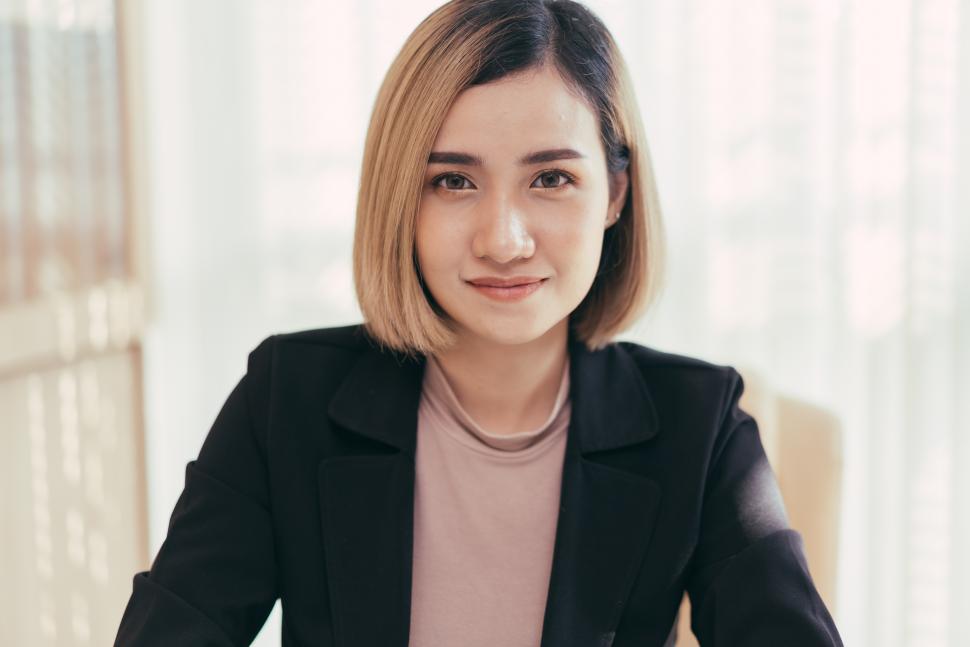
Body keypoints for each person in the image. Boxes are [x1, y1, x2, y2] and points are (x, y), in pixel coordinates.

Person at [115, 0, 844, 645]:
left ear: (616, 193)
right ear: (404, 197)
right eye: (453, 181)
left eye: (551, 178)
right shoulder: (287, 400)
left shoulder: (700, 422)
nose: (503, 239)